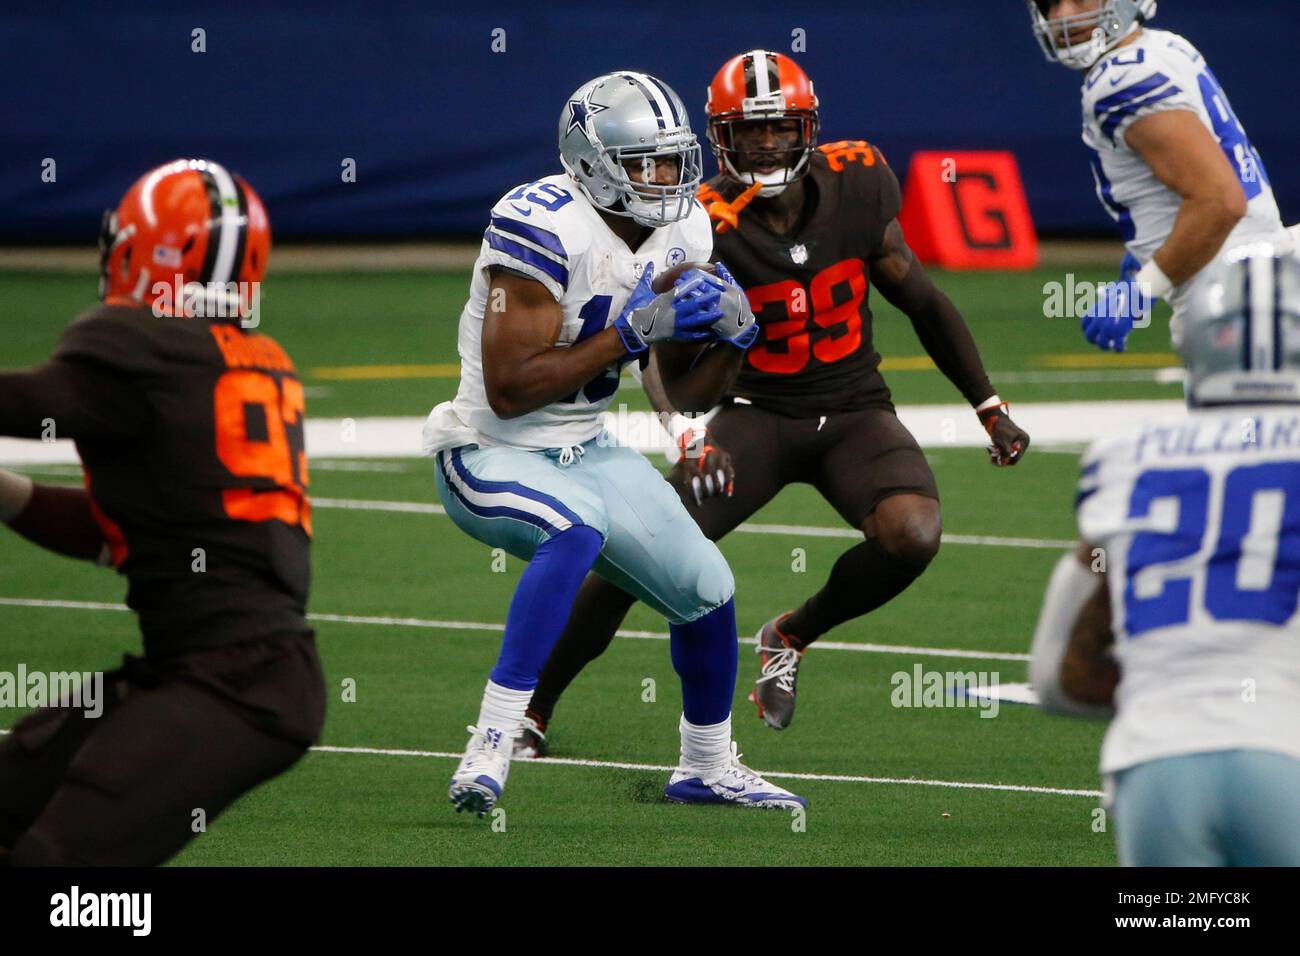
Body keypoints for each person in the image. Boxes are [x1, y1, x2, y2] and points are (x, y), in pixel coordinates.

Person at [516, 51, 1029, 751]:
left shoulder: (860, 183)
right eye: (749, 130)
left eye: (780, 127)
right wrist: (689, 437)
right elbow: (660, 347)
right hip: (754, 416)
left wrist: (988, 404)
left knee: (912, 534)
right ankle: (532, 710)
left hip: (854, 408)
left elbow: (921, 298)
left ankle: (790, 634)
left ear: (808, 127)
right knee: (635, 559)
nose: (765, 144)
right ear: (719, 135)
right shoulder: (700, 221)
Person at [422, 71, 805, 816]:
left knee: (707, 587)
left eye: (674, 159)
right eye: (648, 163)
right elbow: (511, 388)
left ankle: (706, 765)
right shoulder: (539, 224)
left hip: (586, 449)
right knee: (572, 530)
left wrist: (735, 336)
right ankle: (495, 739)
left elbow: (685, 381)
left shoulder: (685, 225)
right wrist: (629, 332)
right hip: (489, 448)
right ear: (592, 161)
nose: (669, 178)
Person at [0, 159, 325, 865]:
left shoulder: (138, 344)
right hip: (219, 670)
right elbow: (128, 534)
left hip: (230, 685)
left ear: (139, 248)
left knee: (53, 870)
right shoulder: (254, 360)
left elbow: (34, 404)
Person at [1031, 248, 1300, 865]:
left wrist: (1173, 692)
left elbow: (1056, 677)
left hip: (1154, 768)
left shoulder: (1128, 458)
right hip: (1284, 751)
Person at [1026, 0, 1296, 351]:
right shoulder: (1164, 46)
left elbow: (1220, 201)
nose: (1062, 15)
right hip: (1269, 267)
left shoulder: (1119, 82)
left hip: (1234, 298)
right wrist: (1154, 248)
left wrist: (1143, 288)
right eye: (1050, 4)